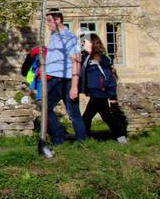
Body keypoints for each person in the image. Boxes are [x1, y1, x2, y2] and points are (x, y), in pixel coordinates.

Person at [42, 11, 87, 145]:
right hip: (53, 78)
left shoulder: (69, 37)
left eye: (49, 21)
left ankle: (83, 143)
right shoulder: (54, 35)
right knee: (45, 108)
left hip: (66, 80)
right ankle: (58, 137)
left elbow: (76, 61)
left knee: (73, 114)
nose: (48, 24)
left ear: (58, 20)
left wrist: (74, 86)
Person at [80, 33, 126, 143]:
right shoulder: (86, 58)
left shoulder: (101, 59)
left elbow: (109, 78)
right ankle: (121, 138)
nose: (82, 44)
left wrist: (113, 97)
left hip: (100, 93)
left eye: (84, 42)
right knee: (106, 117)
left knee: (87, 117)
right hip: (95, 93)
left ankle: (85, 139)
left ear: (91, 43)